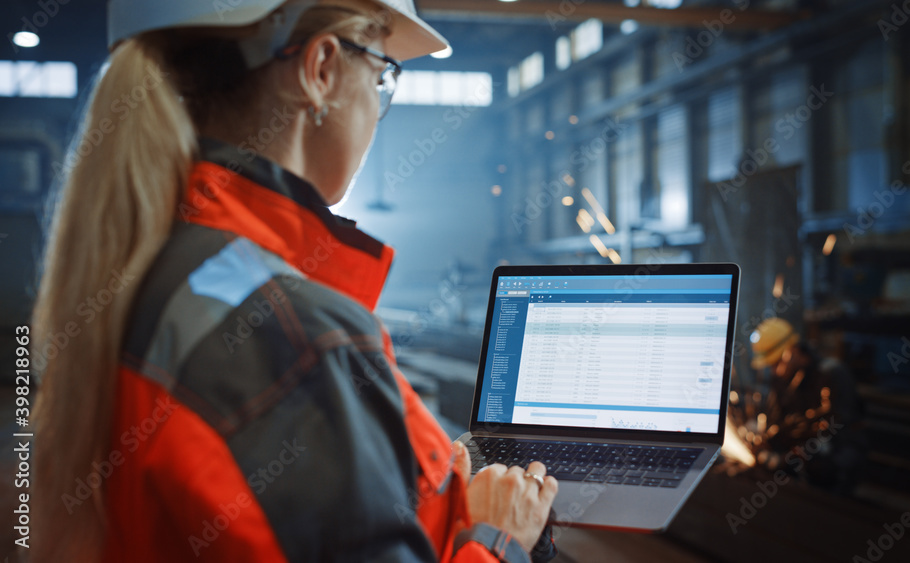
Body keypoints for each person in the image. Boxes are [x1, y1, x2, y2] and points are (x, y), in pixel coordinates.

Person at [32, 1, 558, 561]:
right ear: (322, 70)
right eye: (381, 75)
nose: (379, 102)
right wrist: (498, 539)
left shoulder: (147, 265)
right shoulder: (292, 336)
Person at [749, 318, 867, 494]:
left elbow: (840, 428)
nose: (775, 370)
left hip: (836, 465)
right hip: (802, 467)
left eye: (776, 363)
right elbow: (777, 422)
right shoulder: (782, 382)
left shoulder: (832, 375)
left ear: (793, 350)